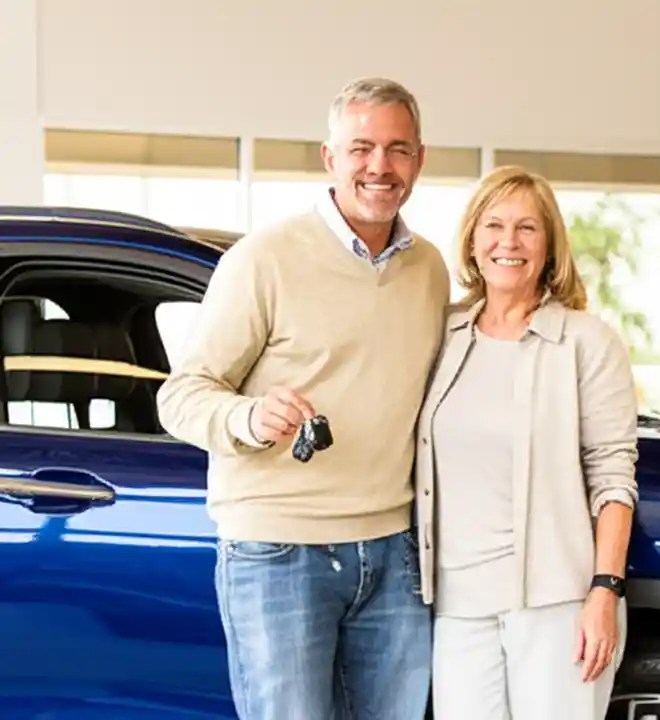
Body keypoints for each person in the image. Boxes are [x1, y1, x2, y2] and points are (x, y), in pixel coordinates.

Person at [156, 77, 450, 719]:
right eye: (362, 148)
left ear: (419, 159)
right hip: (278, 552)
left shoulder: (428, 268)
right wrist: (249, 416)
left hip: (396, 552)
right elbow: (181, 396)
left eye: (398, 149)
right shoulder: (263, 259)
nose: (380, 166)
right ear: (330, 158)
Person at [416, 165, 639, 719]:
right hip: (456, 606)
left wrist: (603, 593)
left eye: (527, 228)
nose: (508, 242)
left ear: (549, 246)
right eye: (493, 226)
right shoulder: (441, 334)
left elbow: (614, 478)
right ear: (472, 241)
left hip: (557, 605)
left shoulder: (586, 342)